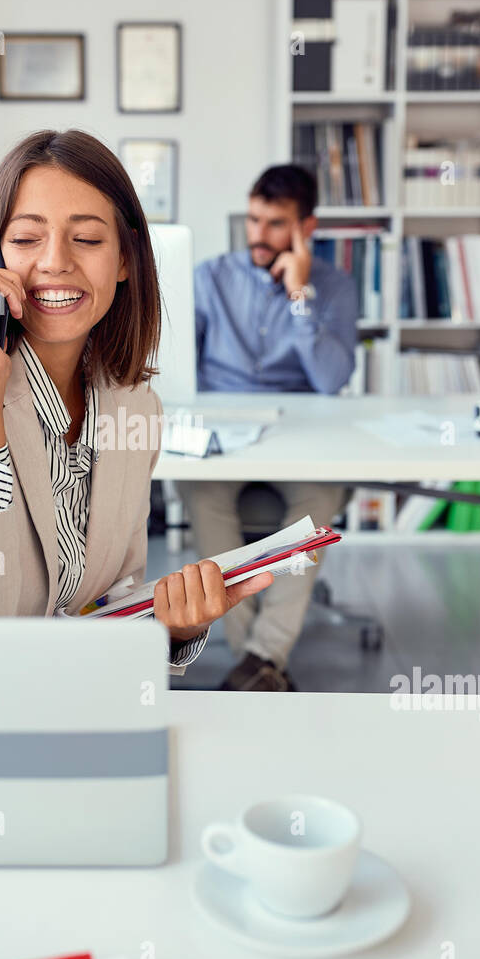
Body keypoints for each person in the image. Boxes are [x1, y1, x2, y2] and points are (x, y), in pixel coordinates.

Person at [0, 129, 273, 675]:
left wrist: (172, 631)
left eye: (87, 239)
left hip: (66, 704)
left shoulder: (133, 405)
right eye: (27, 239)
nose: (55, 263)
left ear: (126, 260)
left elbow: (105, 605)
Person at [176, 163, 357, 691]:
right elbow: (173, 368)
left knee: (318, 501)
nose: (259, 234)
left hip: (300, 431)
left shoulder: (335, 287)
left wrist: (300, 296)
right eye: (254, 219)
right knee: (205, 496)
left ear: (307, 228)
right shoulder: (210, 279)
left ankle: (255, 660)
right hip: (222, 433)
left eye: (275, 223)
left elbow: (329, 381)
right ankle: (259, 661)